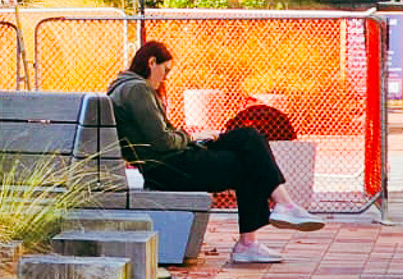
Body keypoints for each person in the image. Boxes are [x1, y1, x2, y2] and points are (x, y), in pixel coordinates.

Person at [107, 40, 324, 266]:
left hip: (173, 161)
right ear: (152, 62)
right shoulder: (136, 89)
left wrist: (195, 138)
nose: (165, 76)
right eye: (165, 69)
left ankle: (279, 210)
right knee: (247, 160)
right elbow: (161, 141)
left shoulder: (128, 87)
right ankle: (264, 226)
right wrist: (190, 137)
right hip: (169, 167)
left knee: (249, 136)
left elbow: (161, 136)